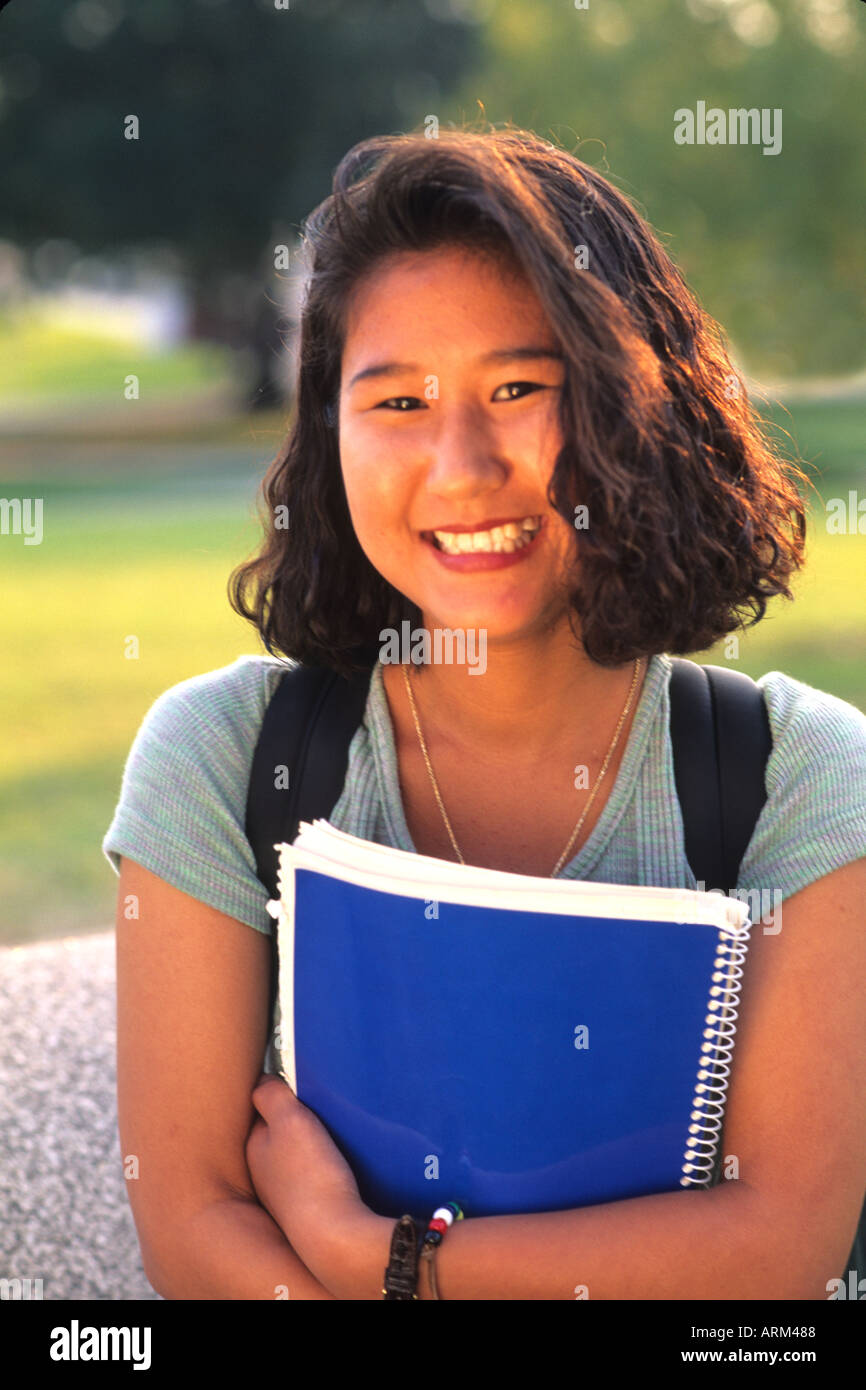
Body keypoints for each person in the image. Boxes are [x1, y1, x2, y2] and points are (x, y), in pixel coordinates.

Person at [103, 124, 866, 1300]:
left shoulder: (797, 775)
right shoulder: (223, 758)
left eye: (517, 389)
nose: (459, 466)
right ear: (330, 432)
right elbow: (194, 1228)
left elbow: (775, 1253)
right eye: (397, 399)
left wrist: (383, 1262)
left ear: (634, 406)